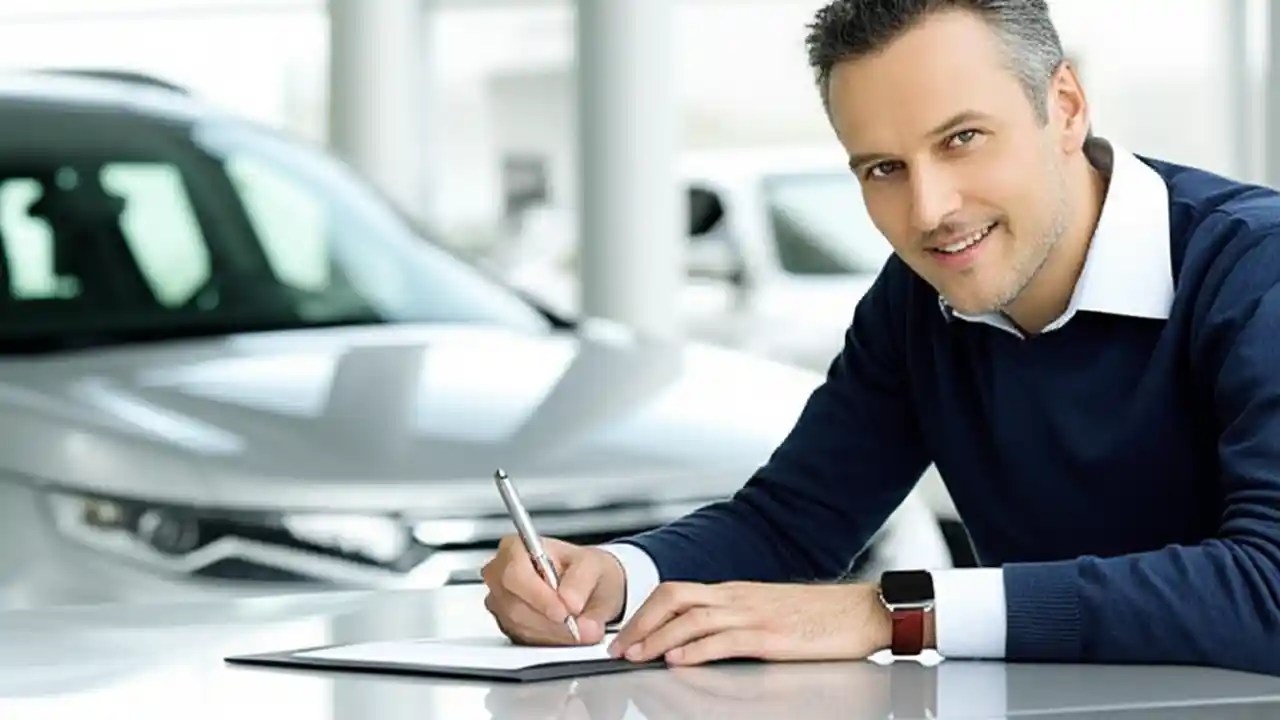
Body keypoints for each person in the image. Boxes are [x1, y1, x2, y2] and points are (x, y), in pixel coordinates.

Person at [481, 0, 1280, 675]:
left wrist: (895, 612)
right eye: (882, 169)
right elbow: (790, 524)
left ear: (1065, 107)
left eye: (962, 138)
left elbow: (1270, 591)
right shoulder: (917, 300)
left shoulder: (1255, 271)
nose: (929, 210)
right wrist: (614, 577)